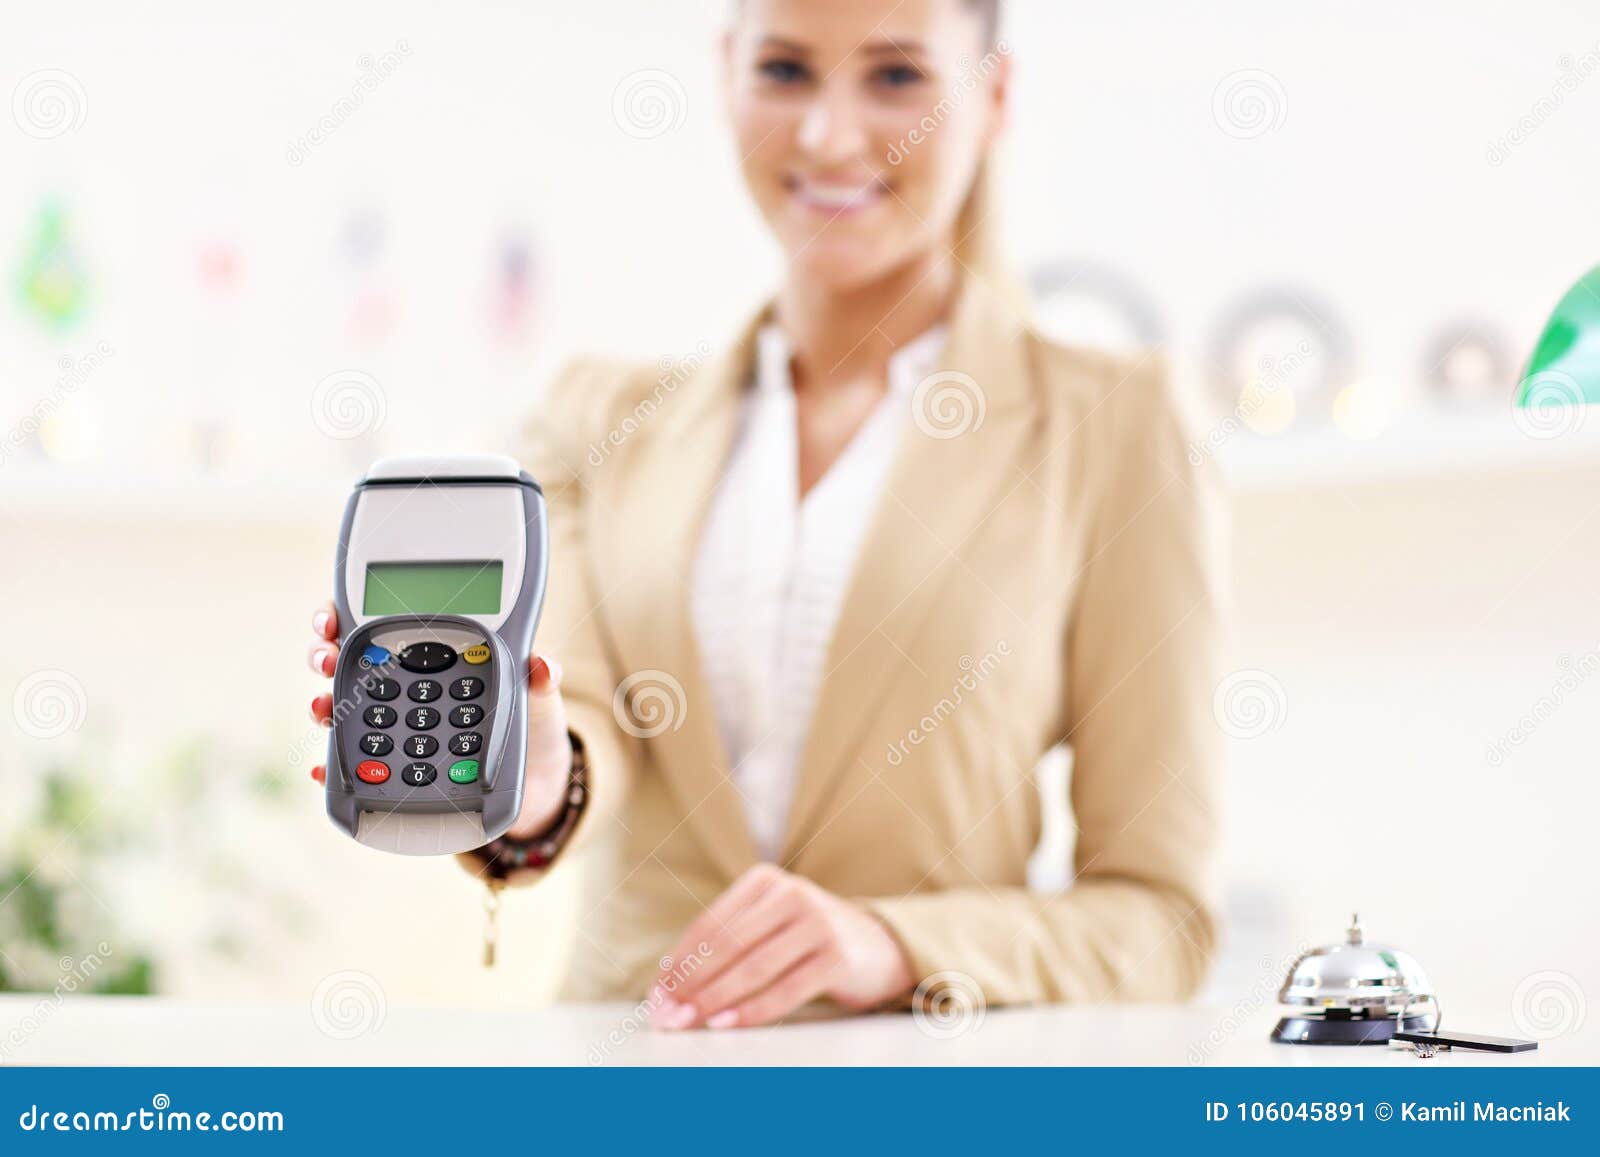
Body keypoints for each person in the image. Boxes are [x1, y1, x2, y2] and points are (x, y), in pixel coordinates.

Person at [308, 0, 1224, 1030]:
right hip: (629, 1074)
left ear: (994, 94)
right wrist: (533, 779)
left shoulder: (1113, 423)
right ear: (726, 73)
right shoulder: (594, 419)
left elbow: (1160, 918)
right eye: (784, 70)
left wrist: (895, 940)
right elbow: (590, 718)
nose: (829, 135)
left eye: (895, 77)